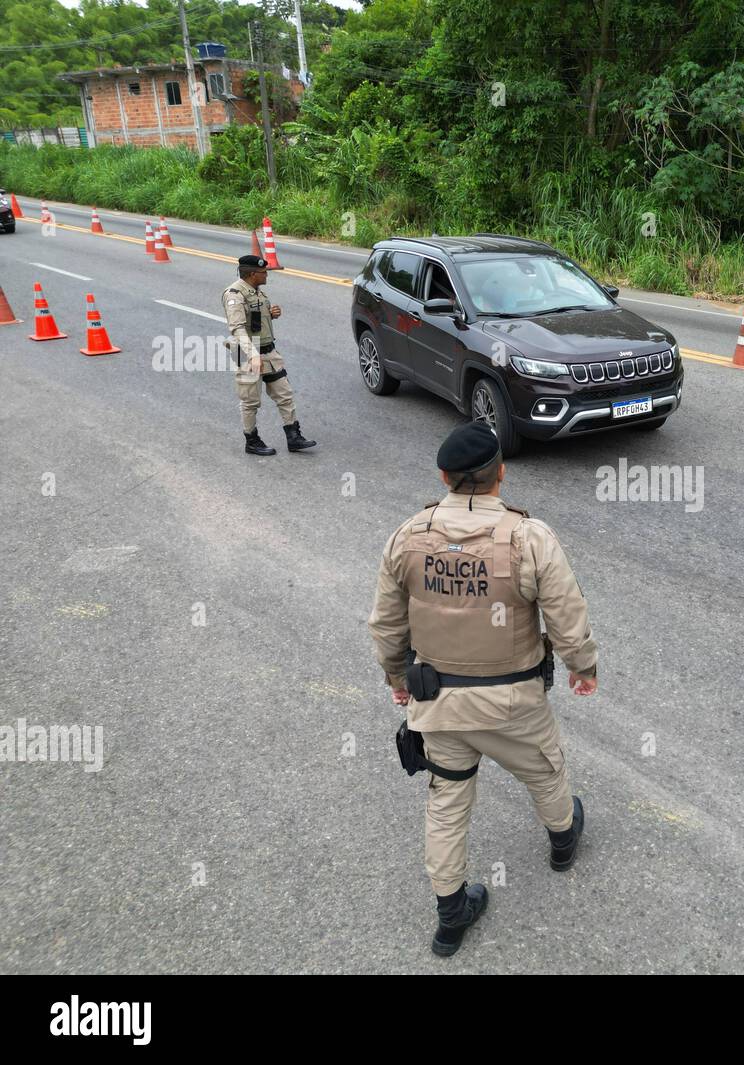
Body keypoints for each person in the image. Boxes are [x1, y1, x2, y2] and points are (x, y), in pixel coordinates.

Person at [367, 422, 598, 957]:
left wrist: (397, 681)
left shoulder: (408, 536)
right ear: (501, 474)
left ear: (444, 477)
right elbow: (567, 615)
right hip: (512, 703)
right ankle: (562, 843)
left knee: (447, 801)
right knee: (545, 771)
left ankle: (451, 919)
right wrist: (582, 667)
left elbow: (385, 625)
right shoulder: (529, 536)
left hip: (438, 703)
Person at [222, 255, 317, 455]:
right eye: (264, 273)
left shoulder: (257, 292)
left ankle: (293, 437)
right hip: (248, 355)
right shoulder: (235, 295)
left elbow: (255, 320)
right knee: (250, 401)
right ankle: (252, 440)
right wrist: (253, 355)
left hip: (269, 352)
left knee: (285, 394)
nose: (267, 275)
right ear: (252, 274)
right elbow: (237, 329)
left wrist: (271, 314)